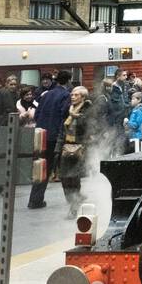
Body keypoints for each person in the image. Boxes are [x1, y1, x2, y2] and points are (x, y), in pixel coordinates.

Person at [28, 69, 71, 209]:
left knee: (41, 167)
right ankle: (73, 203)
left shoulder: (46, 94)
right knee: (61, 168)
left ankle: (35, 199)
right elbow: (64, 116)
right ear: (69, 81)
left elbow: (37, 114)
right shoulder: (66, 95)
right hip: (55, 137)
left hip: (41, 135)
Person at [54, 86, 93, 218]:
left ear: (83, 97)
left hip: (80, 148)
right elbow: (62, 130)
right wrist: (57, 149)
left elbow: (89, 129)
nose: (72, 97)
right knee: (64, 178)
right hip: (66, 148)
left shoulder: (87, 111)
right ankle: (74, 200)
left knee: (74, 178)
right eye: (72, 94)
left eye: (76, 95)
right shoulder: (68, 110)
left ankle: (74, 208)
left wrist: (77, 116)